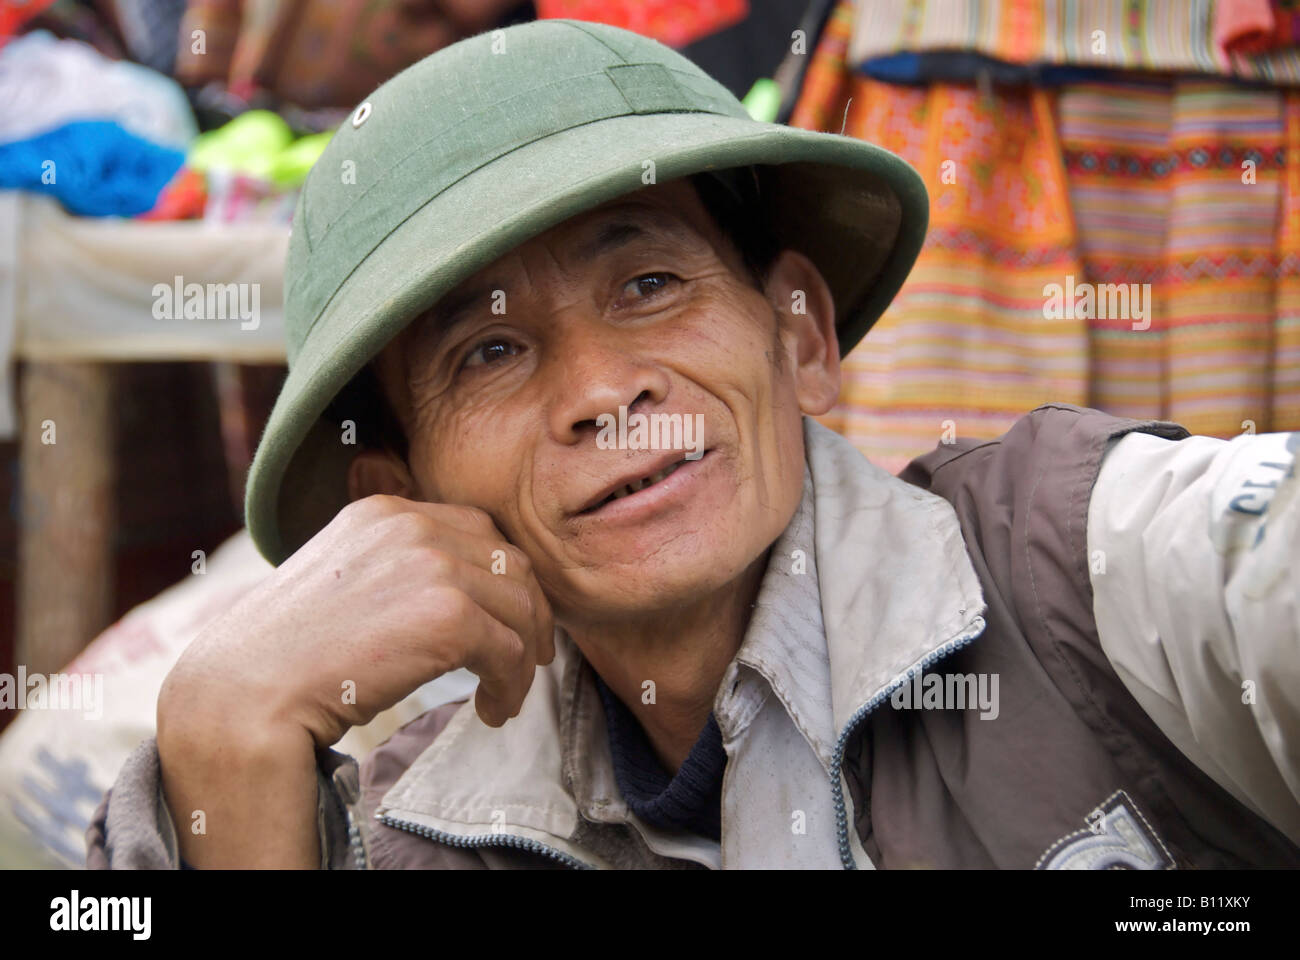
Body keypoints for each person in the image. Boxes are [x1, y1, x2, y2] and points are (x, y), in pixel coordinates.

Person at [88, 18, 1300, 870]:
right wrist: (225, 738)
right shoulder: (426, 830)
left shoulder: (1097, 573)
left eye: (651, 282)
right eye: (491, 354)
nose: (605, 390)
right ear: (399, 503)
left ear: (802, 336)